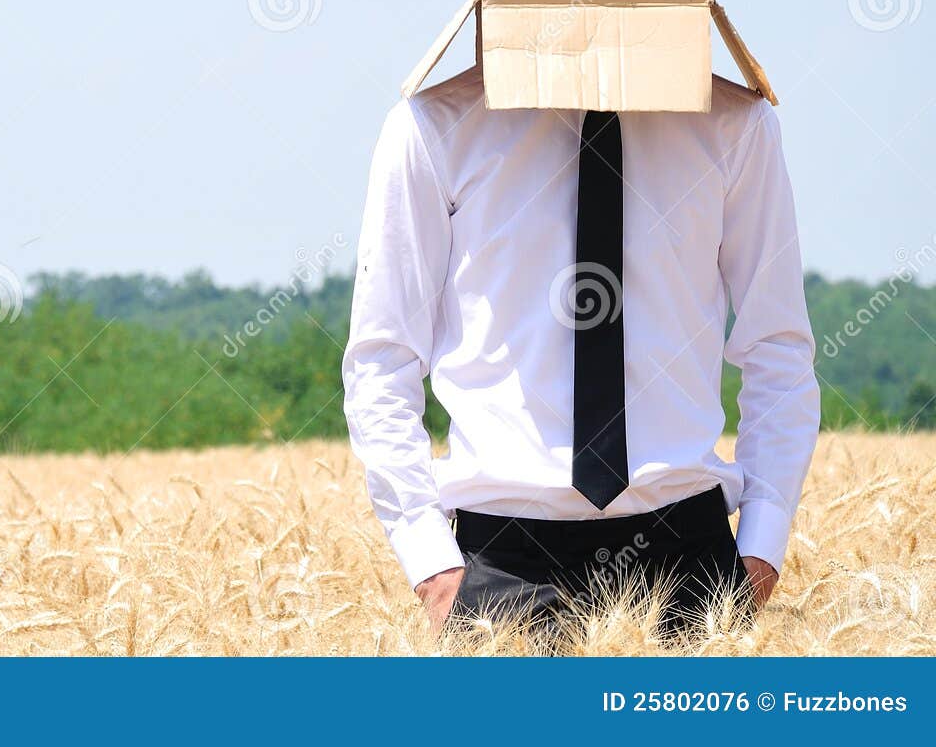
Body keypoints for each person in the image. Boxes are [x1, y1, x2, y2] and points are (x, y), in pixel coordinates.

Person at [342, 63, 819, 633]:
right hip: (503, 564)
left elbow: (778, 346)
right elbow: (381, 358)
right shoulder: (433, 126)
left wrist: (760, 548)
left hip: (691, 555)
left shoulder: (735, 123)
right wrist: (433, 565)